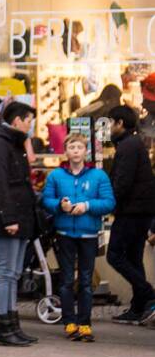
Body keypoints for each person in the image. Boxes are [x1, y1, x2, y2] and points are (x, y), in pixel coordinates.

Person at [42, 132, 114, 342]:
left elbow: (109, 202)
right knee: (65, 280)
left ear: (86, 151)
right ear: (66, 151)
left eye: (79, 148)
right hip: (64, 233)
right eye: (72, 148)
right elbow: (46, 199)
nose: (75, 151)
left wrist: (87, 206)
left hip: (89, 233)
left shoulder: (98, 176)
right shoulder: (56, 175)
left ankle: (85, 323)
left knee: (84, 280)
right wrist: (59, 205)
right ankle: (69, 322)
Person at [0, 101, 38, 346]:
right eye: (29, 120)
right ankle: (2, 327)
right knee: (5, 273)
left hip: (20, 215)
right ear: (17, 121)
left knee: (14, 273)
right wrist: (9, 218)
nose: (31, 125)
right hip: (8, 217)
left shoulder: (14, 142)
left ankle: (12, 324)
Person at [104, 105, 155, 324]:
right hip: (141, 210)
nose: (107, 127)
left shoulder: (128, 146)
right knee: (134, 258)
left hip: (132, 211)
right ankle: (138, 307)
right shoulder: (132, 143)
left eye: (110, 123)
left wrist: (106, 204)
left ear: (120, 124)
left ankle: (148, 293)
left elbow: (122, 183)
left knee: (114, 255)